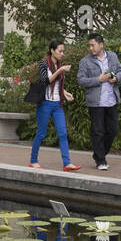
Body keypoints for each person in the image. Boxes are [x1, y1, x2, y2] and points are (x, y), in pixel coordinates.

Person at [28, 40, 81, 171]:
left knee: (63, 133)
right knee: (41, 133)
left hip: (57, 104)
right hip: (45, 103)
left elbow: (57, 84)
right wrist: (60, 70)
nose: (62, 53)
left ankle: (67, 163)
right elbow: (46, 81)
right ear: (52, 50)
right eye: (60, 51)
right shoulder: (43, 64)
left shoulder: (60, 65)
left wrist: (65, 93)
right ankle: (33, 160)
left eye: (63, 51)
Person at [76, 32, 121, 170]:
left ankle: (99, 154)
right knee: (97, 131)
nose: (90, 48)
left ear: (101, 45)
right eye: (89, 46)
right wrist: (98, 79)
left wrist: (116, 78)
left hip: (111, 100)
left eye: (93, 45)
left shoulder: (113, 56)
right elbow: (81, 80)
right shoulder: (85, 61)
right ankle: (101, 161)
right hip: (95, 102)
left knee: (113, 130)